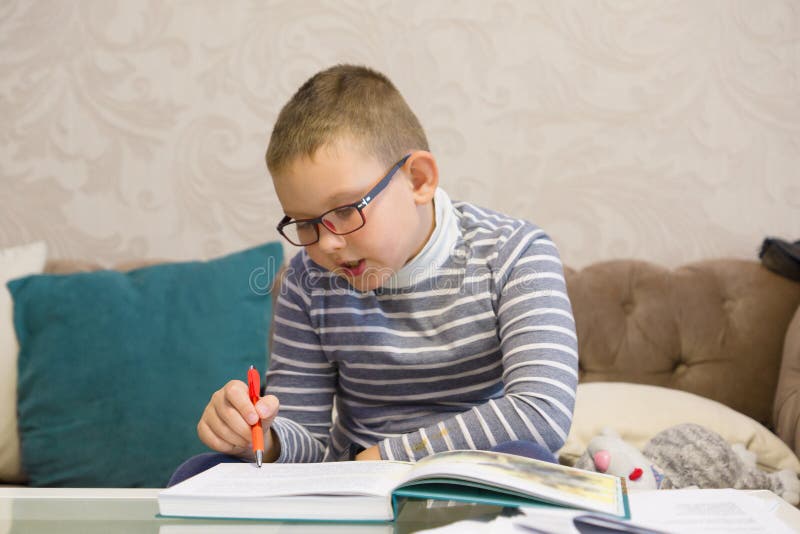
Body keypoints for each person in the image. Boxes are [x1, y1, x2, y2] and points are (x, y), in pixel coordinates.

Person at [170, 64, 577, 485]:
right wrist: (263, 437)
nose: (326, 243)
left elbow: (540, 413)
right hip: (354, 485)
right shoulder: (308, 281)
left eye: (346, 210)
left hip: (467, 475)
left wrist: (386, 458)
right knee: (201, 472)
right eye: (305, 223)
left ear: (418, 179)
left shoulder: (515, 254)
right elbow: (307, 439)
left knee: (528, 458)